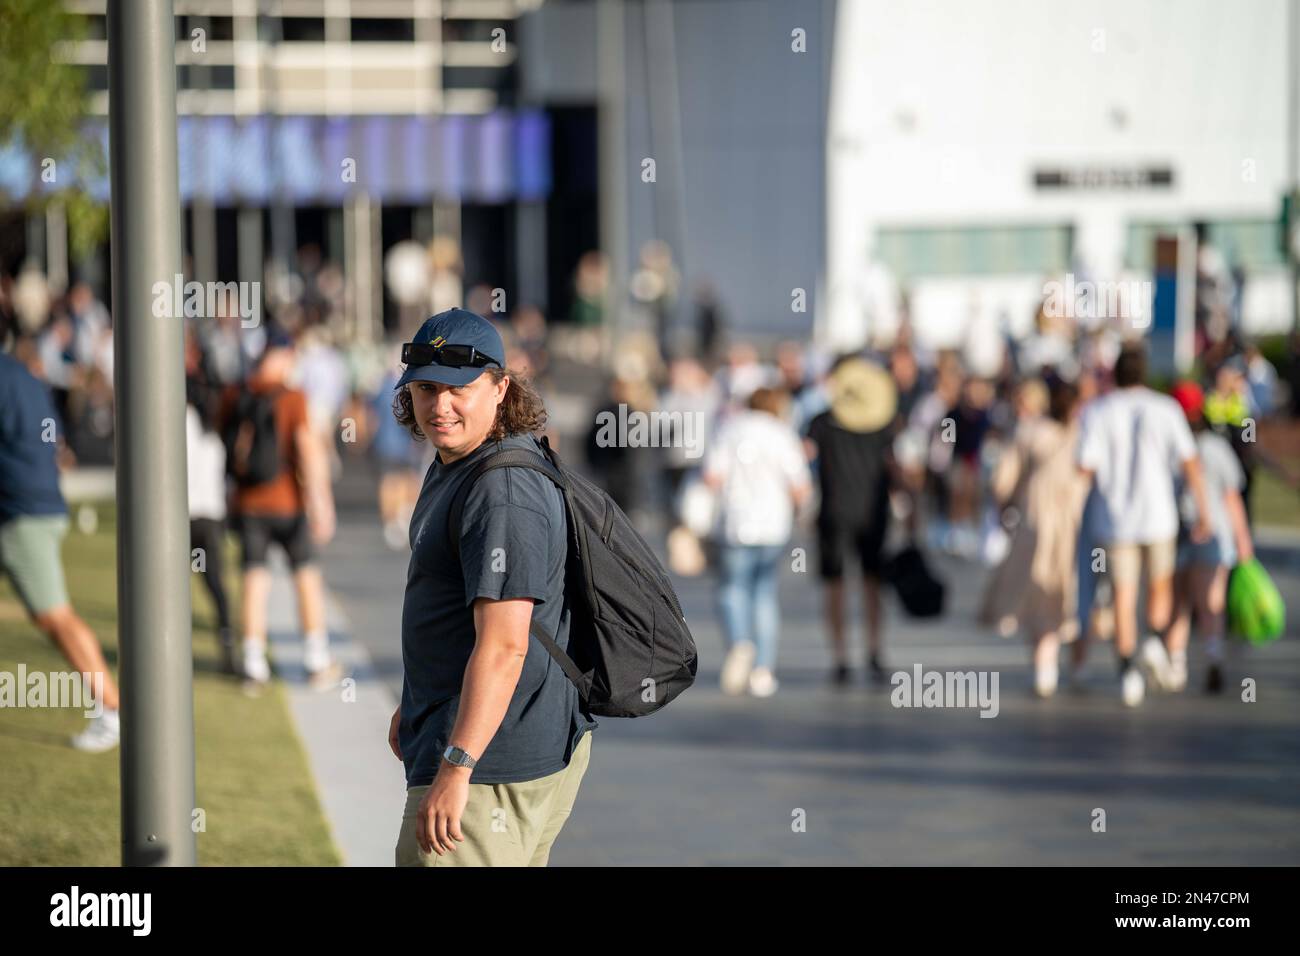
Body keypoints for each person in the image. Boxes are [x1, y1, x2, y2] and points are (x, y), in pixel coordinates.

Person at [388, 308, 597, 867]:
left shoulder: (500, 490)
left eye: (459, 389)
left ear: (502, 388)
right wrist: (416, 706)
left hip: (487, 768)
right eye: (426, 389)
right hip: (482, 741)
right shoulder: (463, 462)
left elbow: (506, 645)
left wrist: (456, 766)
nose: (440, 406)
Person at [1076, 345, 1213, 707]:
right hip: (1159, 515)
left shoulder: (1098, 412)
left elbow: (1085, 467)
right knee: (1160, 584)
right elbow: (1190, 463)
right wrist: (1204, 512)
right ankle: (1153, 638)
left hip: (1115, 518)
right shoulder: (1165, 409)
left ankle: (1127, 671)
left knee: (1123, 594)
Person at [0, 350, 121, 751]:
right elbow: (57, 439)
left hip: (22, 511)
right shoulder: (28, 377)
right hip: (36, 503)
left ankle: (112, 707)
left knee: (55, 616)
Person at [221, 329, 339, 689]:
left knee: (254, 580)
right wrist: (321, 502)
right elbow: (306, 449)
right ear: (284, 357)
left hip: (248, 503)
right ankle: (316, 659)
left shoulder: (236, 393)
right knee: (306, 577)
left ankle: (253, 664)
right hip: (289, 502)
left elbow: (223, 445)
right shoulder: (292, 397)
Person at [981, 380, 1091, 696]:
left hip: (1035, 521)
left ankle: (1045, 663)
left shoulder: (1029, 433)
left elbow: (1004, 478)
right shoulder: (1081, 435)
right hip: (1075, 523)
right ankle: (1073, 664)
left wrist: (1003, 507)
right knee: (1069, 591)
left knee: (1038, 591)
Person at [703, 387, 813, 697]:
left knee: (731, 588)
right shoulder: (783, 434)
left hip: (736, 524)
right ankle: (763, 670)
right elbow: (800, 487)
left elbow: (712, 477)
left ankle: (740, 643)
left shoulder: (729, 430)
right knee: (764, 593)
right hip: (773, 526)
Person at [806, 357, 897, 685]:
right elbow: (900, 467)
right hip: (874, 513)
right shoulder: (885, 424)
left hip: (833, 512)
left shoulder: (822, 422)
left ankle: (840, 656)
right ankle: (875, 651)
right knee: (873, 584)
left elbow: (806, 458)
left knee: (835, 584)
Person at [1167, 382, 1255, 694]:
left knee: (1179, 604)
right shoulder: (1216, 448)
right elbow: (1232, 498)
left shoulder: (1170, 447)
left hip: (1175, 531)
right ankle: (1213, 654)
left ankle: (1175, 664)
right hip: (1213, 532)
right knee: (1210, 602)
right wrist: (1243, 539)